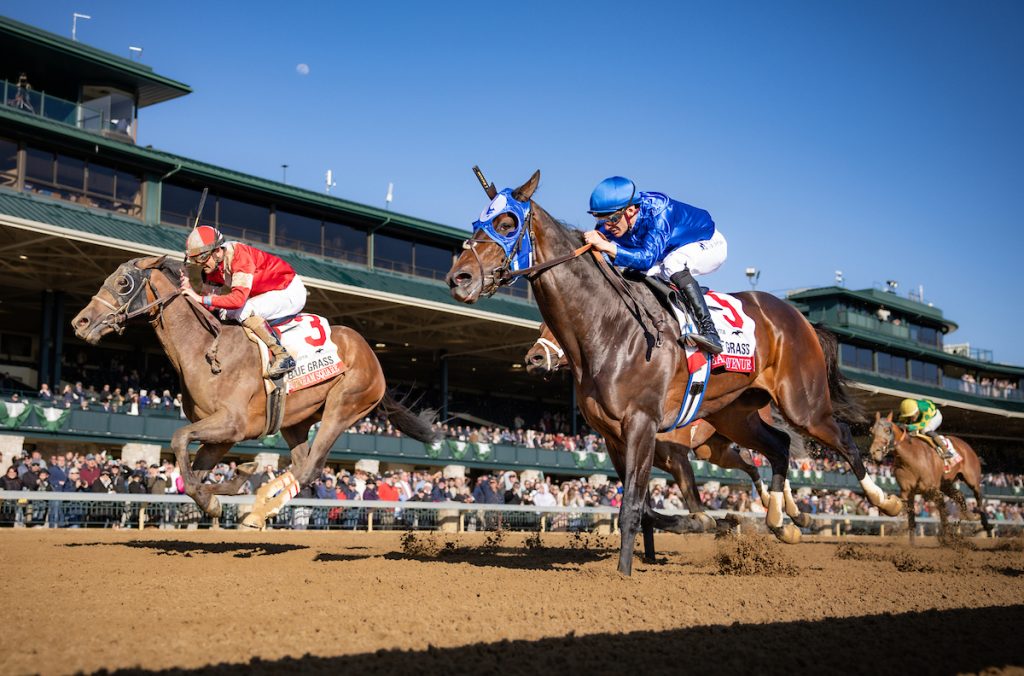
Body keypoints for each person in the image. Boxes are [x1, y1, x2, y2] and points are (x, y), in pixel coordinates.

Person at [582, 176, 727, 353]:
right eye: (601, 220)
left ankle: (710, 331)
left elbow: (646, 259)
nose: (607, 226)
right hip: (668, 251)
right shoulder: (614, 221)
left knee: (672, 263)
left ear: (630, 211)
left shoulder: (660, 213)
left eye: (611, 219)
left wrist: (605, 245)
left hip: (709, 243)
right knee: (630, 270)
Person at [179, 225, 306, 377]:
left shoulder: (240, 257)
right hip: (268, 292)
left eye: (203, 258)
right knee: (225, 312)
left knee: (244, 309)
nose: (201, 265)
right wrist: (188, 285)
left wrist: (199, 297)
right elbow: (209, 307)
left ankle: (283, 356)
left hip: (289, 290)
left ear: (217, 251)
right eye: (196, 261)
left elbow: (238, 300)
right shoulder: (211, 268)